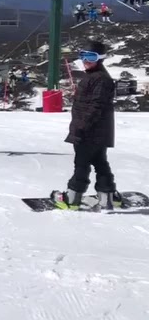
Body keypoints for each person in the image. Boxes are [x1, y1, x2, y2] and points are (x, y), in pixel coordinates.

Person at [52, 40, 121, 210]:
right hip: (97, 131)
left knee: (82, 164)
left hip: (89, 131)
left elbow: (97, 106)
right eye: (83, 56)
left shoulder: (100, 79)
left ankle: (72, 198)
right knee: (100, 162)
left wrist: (82, 126)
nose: (86, 60)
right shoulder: (95, 76)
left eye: (91, 56)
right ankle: (107, 198)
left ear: (100, 58)